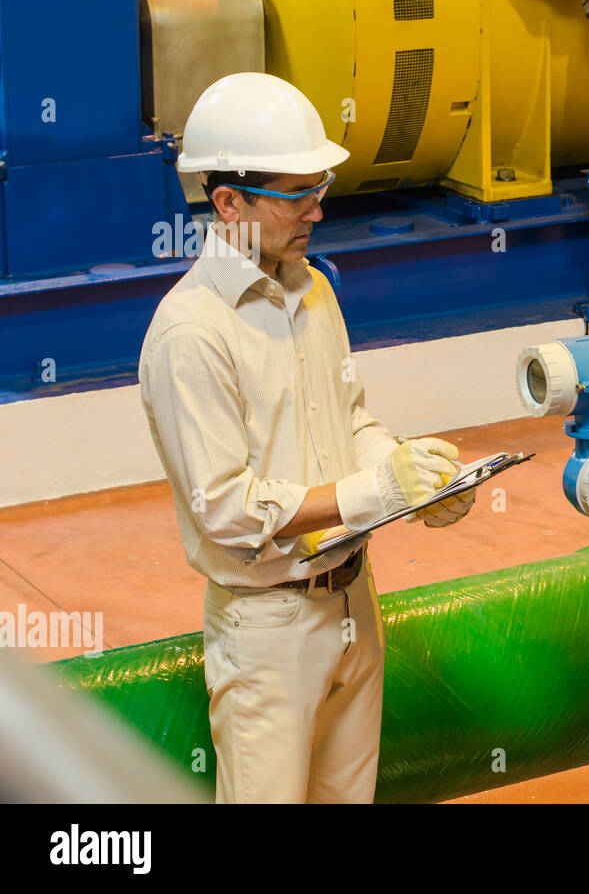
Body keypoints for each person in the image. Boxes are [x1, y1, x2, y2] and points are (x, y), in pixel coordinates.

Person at [138, 72, 474, 803]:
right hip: (269, 628)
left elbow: (348, 417)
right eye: (298, 195)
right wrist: (375, 491)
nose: (318, 209)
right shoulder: (191, 333)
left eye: (319, 187)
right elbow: (226, 508)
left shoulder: (313, 290)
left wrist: (412, 476)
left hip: (355, 600)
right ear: (228, 202)